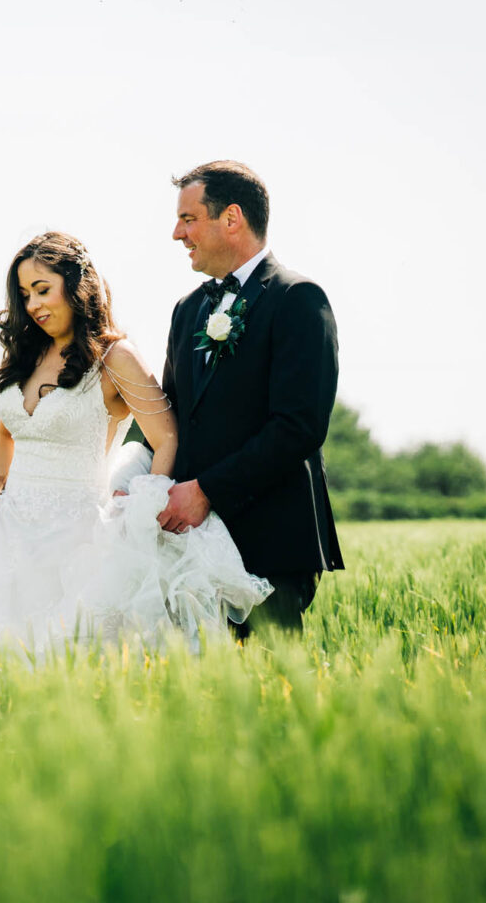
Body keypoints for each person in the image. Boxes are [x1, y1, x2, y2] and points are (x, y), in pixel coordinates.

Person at [0, 232, 272, 664]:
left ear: (75, 286)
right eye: (24, 295)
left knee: (65, 654)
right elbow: (6, 432)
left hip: (76, 535)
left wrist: (146, 503)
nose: (33, 305)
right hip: (8, 534)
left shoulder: (115, 358)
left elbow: (166, 437)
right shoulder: (25, 357)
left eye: (42, 290)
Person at [155, 161, 342, 637]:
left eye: (188, 219)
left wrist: (207, 490)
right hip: (189, 546)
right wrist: (134, 484)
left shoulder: (298, 299)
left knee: (269, 678)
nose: (177, 233)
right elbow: (167, 417)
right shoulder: (186, 310)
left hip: (269, 541)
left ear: (232, 217)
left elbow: (298, 426)